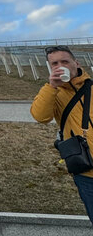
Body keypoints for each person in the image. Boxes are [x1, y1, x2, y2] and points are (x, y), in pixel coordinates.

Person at [31, 45, 93, 223]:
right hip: (87, 172)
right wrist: (52, 86)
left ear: (76, 63)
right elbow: (41, 116)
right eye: (55, 64)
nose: (60, 66)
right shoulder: (53, 93)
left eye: (65, 61)